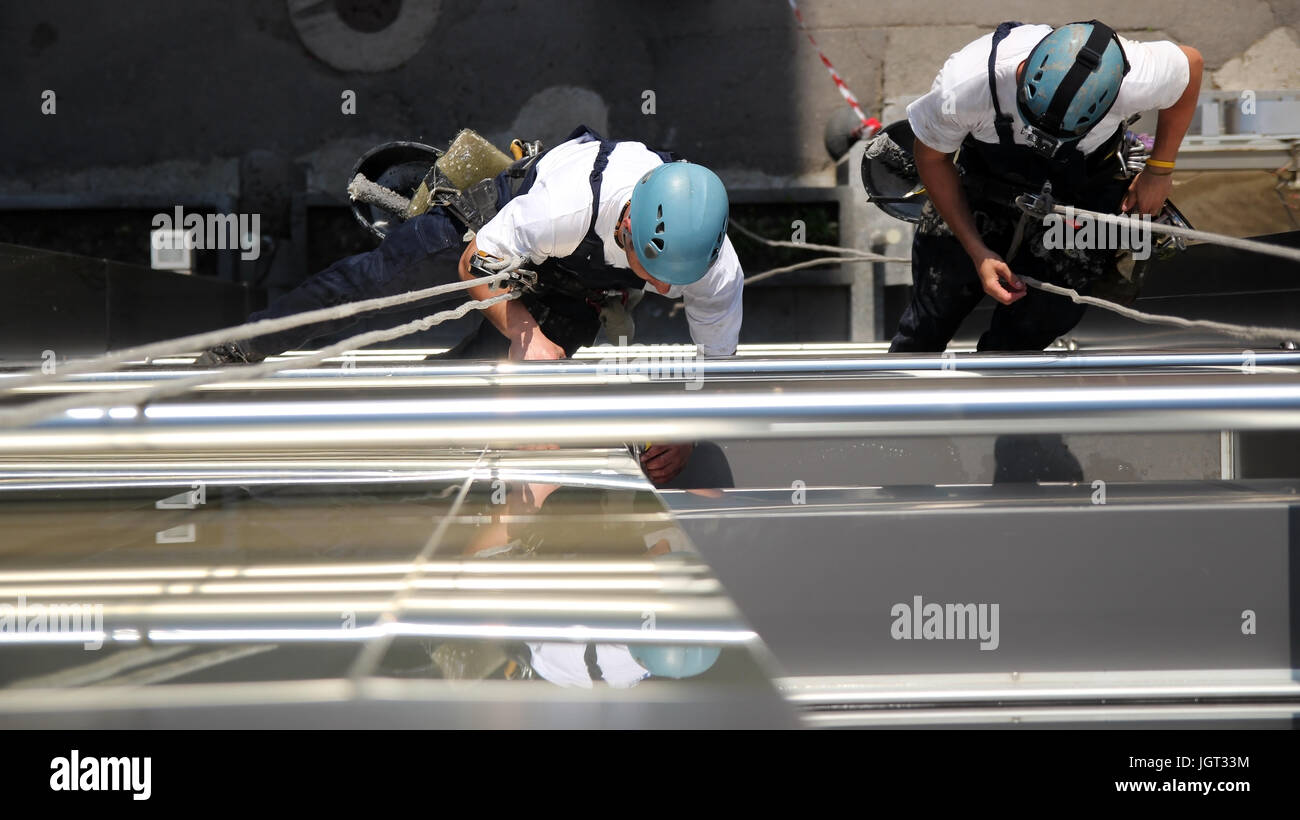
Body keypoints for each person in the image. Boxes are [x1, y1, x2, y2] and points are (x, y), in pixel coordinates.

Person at [200, 125, 745, 485]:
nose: (670, 293)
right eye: (656, 276)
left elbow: (715, 365)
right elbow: (475, 265)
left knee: (478, 395)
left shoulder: (714, 266)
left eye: (680, 282)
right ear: (627, 224)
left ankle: (388, 444)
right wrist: (526, 335)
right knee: (369, 286)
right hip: (491, 232)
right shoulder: (565, 206)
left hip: (577, 284)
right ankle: (245, 345)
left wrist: (687, 427)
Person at [889, 21, 1203, 352]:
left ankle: (997, 390)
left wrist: (1160, 168)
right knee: (931, 313)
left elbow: (1191, 66)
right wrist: (977, 251)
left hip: (1082, 192)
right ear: (1023, 71)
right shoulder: (967, 85)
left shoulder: (1135, 77)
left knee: (1039, 322)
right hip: (984, 183)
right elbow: (933, 159)